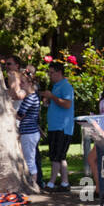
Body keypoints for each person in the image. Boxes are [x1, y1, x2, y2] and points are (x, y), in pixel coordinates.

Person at [41, 61, 75, 191]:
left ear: (59, 73)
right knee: (59, 156)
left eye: (51, 73)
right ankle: (65, 183)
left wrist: (52, 97)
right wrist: (48, 100)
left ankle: (51, 183)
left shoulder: (66, 86)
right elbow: (55, 103)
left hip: (63, 127)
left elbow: (67, 104)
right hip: (55, 127)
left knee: (57, 157)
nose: (49, 75)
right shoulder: (55, 87)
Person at [12, 71, 42, 183]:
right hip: (29, 132)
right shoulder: (32, 97)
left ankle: (34, 183)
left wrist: (9, 109)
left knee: (29, 160)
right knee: (30, 159)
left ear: (30, 83)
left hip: (29, 133)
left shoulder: (30, 98)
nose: (21, 85)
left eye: (23, 82)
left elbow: (20, 115)